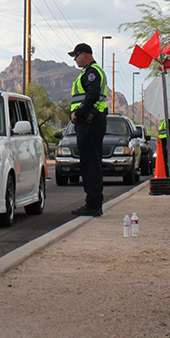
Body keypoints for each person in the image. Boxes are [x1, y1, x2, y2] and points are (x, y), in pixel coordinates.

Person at [68, 42, 108, 216]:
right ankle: (93, 201)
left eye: (75, 56)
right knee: (90, 161)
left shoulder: (92, 72)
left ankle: (93, 204)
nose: (75, 60)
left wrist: (78, 113)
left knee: (91, 162)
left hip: (90, 121)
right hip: (90, 121)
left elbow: (92, 96)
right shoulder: (88, 72)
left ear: (84, 54)